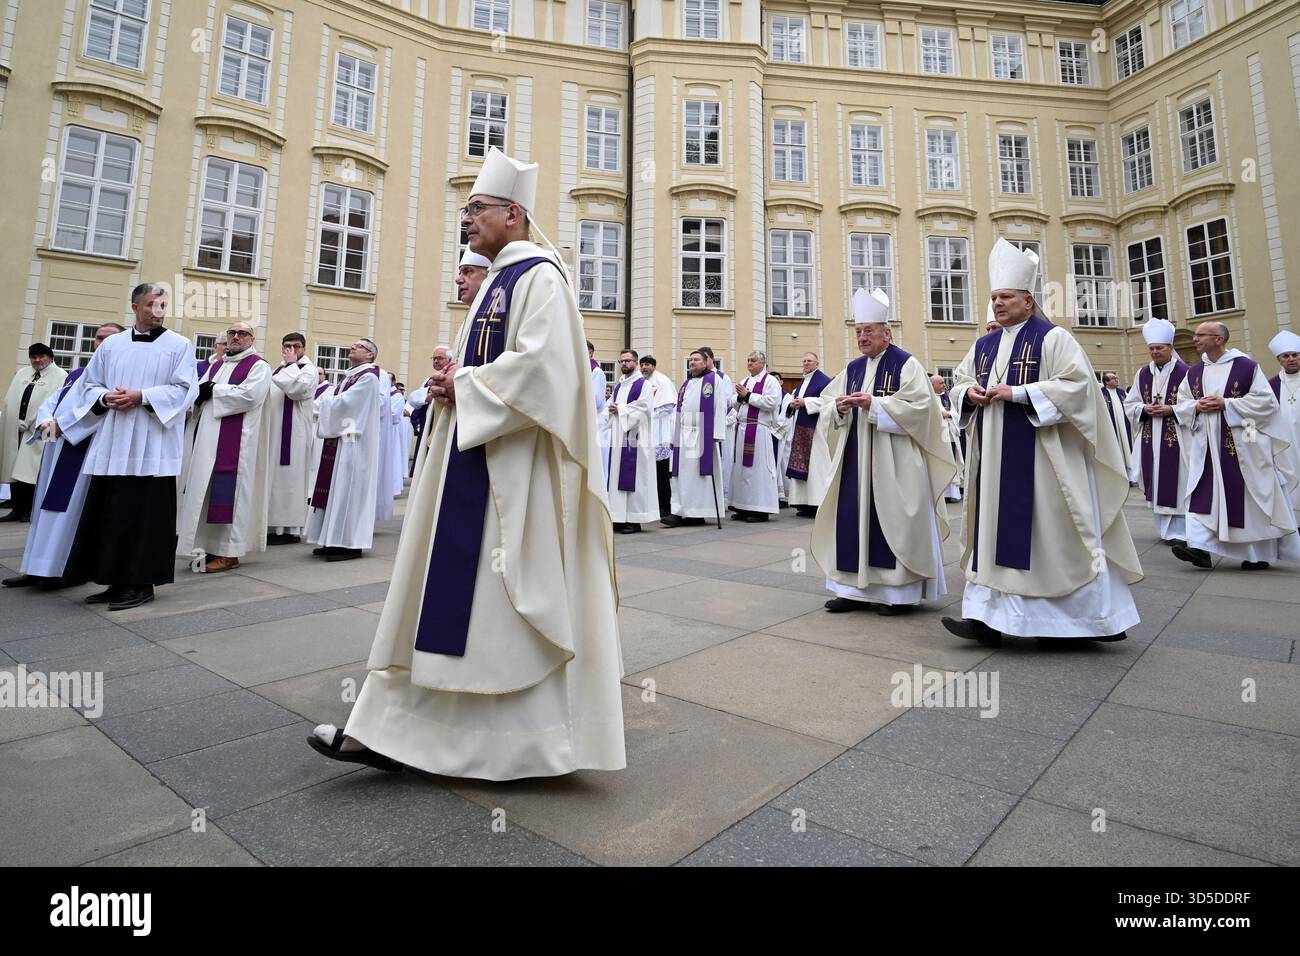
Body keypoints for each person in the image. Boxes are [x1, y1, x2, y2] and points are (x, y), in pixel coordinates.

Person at [308, 146, 625, 779]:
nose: (467, 219)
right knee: (440, 604)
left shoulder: (538, 277)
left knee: (495, 614)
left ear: (513, 213)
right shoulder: (497, 279)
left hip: (509, 480)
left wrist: (468, 388)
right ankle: (396, 731)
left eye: (475, 208)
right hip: (469, 466)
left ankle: (516, 745)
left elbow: (548, 371)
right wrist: (451, 382)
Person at [942, 240, 1142, 646]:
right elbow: (960, 382)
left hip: (1044, 461)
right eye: (994, 297)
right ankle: (986, 618)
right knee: (993, 535)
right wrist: (969, 395)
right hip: (994, 463)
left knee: (1052, 537)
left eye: (1006, 297)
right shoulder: (984, 344)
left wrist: (1018, 394)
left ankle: (1069, 624)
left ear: (1028, 300)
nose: (998, 304)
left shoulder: (1054, 339)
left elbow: (1078, 388)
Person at [57, 283, 198, 611]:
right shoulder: (112, 345)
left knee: (145, 517)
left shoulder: (179, 345)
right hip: (114, 442)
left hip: (152, 446)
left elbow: (184, 389)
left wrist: (142, 397)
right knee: (110, 514)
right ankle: (113, 579)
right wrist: (105, 397)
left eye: (162, 304)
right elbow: (88, 384)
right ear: (135, 307)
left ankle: (140, 583)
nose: (157, 311)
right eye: (150, 304)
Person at [813, 289, 955, 615]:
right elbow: (825, 404)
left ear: (886, 332)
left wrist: (875, 405)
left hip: (896, 461)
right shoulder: (852, 368)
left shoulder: (907, 365)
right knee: (851, 517)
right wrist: (839, 406)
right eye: (858, 331)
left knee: (892, 520)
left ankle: (896, 594)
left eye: (869, 331)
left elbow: (922, 409)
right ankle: (850, 589)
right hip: (856, 459)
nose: (862, 337)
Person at [1171, 321, 1300, 570]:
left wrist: (1226, 404)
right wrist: (1196, 407)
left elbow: (1265, 403)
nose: (1195, 339)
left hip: (1243, 445)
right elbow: (1182, 402)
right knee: (1202, 493)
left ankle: (1257, 554)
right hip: (1207, 447)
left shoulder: (1246, 367)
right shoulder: (1194, 372)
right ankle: (1199, 547)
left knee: (1248, 498)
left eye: (1201, 335)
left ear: (1218, 339)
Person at [3, 323, 122, 588]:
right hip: (56, 448)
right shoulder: (78, 372)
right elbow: (52, 400)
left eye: (108, 339)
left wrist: (63, 424)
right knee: (43, 510)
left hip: (82, 450)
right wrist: (45, 421)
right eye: (98, 338)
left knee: (68, 514)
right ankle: (35, 567)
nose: (101, 343)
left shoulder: (118, 376)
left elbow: (99, 410)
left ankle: (61, 571)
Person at [176, 321, 272, 572]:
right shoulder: (217, 365)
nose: (236, 337)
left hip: (237, 442)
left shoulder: (259, 366)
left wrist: (215, 390)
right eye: (232, 333)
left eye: (242, 333)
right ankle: (209, 547)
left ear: (252, 339)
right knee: (205, 493)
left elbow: (251, 395)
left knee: (232, 494)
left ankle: (229, 553)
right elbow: (199, 393)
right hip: (208, 439)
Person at [306, 338, 383, 562]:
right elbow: (336, 400)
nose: (353, 347)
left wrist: (323, 405)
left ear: (370, 355)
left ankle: (349, 544)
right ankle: (332, 540)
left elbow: (348, 404)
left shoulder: (368, 377)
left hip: (354, 443)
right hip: (341, 441)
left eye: (359, 346)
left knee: (348, 491)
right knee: (335, 491)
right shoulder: (351, 375)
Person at [1123, 318, 1191, 549]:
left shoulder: (1187, 373)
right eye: (1152, 348)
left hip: (1178, 438)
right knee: (1155, 482)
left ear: (1170, 348)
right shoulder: (1142, 374)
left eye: (1159, 348)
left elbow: (1196, 404)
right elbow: (1130, 403)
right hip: (1150, 438)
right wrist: (1144, 409)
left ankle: (1181, 531)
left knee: (1179, 482)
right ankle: (1164, 530)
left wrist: (1172, 409)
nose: (1155, 352)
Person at [1, 344, 68, 522]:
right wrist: (14, 419)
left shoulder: (61, 376)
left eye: (41, 357)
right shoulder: (23, 373)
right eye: (34, 357)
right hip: (17, 430)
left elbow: (55, 403)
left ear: (50, 357)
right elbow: (11, 398)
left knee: (34, 471)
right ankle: (17, 508)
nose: (37, 360)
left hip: (42, 430)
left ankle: (31, 509)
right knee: (14, 469)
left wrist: (31, 421)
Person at [266, 333, 320, 545]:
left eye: (296, 346)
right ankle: (272, 525)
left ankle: (288, 529)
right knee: (273, 478)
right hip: (274, 430)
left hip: (293, 433)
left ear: (304, 348)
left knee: (291, 478)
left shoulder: (309, 369)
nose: (291, 350)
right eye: (287, 346)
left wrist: (290, 366)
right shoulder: (279, 369)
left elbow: (297, 391)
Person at [665, 349, 727, 527]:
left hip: (701, 431)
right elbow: (679, 409)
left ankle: (696, 512)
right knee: (680, 474)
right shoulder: (686, 383)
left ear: (706, 362)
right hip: (683, 432)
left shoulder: (714, 380)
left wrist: (716, 434)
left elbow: (720, 405)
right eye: (690, 360)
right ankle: (678, 511)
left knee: (695, 476)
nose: (692, 362)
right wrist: (673, 435)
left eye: (697, 359)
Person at [605, 349, 658, 534]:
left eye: (628, 360)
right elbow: (609, 407)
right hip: (619, 437)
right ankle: (619, 517)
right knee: (616, 476)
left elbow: (645, 409)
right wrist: (610, 410)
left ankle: (635, 520)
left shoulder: (642, 384)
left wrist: (620, 408)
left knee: (636, 478)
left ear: (636, 363)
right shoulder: (619, 386)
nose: (624, 364)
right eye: (621, 361)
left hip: (636, 438)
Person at [729, 351, 782, 522]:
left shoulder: (771, 381)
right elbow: (733, 403)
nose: (749, 363)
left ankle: (760, 510)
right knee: (741, 470)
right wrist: (739, 397)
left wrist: (749, 396)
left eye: (753, 360)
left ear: (762, 363)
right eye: (748, 360)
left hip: (759, 430)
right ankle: (743, 507)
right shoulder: (745, 381)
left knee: (758, 471)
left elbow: (771, 402)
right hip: (742, 429)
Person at [786, 352, 832, 517]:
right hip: (801, 429)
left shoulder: (824, 380)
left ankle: (816, 502)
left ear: (817, 363)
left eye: (809, 361)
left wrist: (806, 402)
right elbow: (793, 401)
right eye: (804, 360)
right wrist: (793, 403)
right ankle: (803, 502)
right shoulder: (803, 382)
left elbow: (829, 401)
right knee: (803, 465)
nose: (806, 363)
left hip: (816, 431)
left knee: (816, 465)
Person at [1267, 330, 1300, 529]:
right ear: (1279, 360)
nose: (1291, 359)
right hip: (1285, 445)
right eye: (1286, 356)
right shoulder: (1271, 386)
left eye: (1295, 355)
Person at [639, 355, 677, 520]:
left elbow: (668, 406)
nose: (643, 367)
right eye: (641, 365)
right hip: (643, 432)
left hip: (659, 433)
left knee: (661, 473)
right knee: (646, 472)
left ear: (654, 366)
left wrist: (648, 414)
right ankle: (649, 505)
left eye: (647, 364)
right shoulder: (641, 382)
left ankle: (664, 507)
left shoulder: (663, 381)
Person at [931, 374, 965, 502]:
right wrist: (939, 414)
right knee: (941, 464)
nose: (944, 385)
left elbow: (955, 414)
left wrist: (949, 414)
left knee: (951, 463)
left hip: (950, 436)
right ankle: (941, 494)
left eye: (944, 382)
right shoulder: (928, 397)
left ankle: (952, 494)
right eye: (941, 383)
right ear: (932, 385)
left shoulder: (947, 398)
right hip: (937, 438)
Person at [1100, 371, 1135, 481]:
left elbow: (1130, 406)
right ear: (1106, 381)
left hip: (1125, 427)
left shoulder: (1122, 392)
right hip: (1111, 427)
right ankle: (1119, 477)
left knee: (1128, 448)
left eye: (1116, 378)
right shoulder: (1101, 394)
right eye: (1113, 378)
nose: (1116, 380)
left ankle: (1131, 476)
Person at [589, 340, 611, 483]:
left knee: (597, 460)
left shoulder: (596, 372)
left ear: (590, 353)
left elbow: (597, 401)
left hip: (596, 422)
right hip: (586, 420)